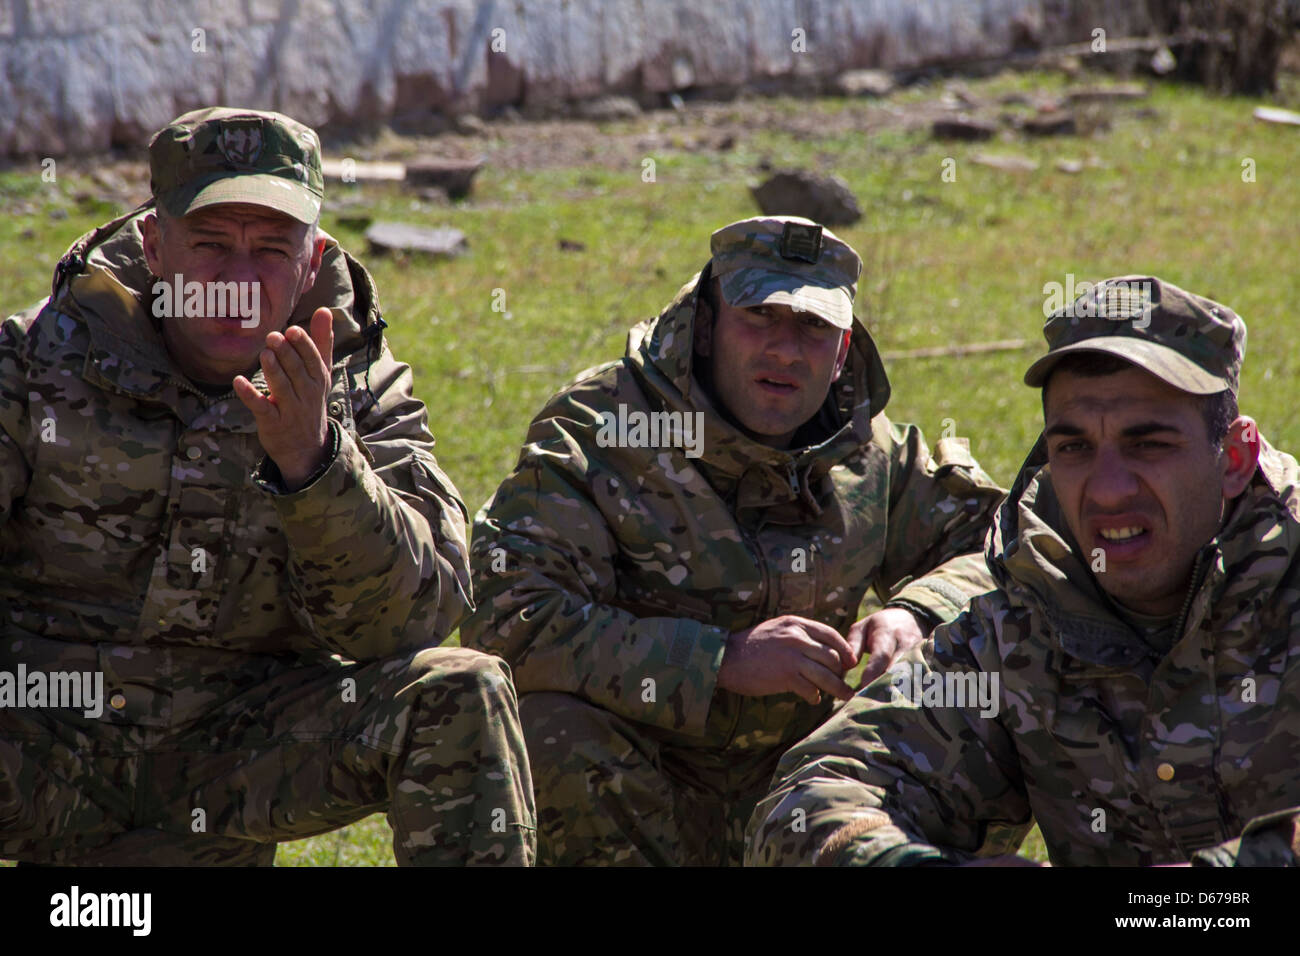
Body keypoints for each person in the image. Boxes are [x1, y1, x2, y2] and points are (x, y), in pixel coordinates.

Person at [0, 107, 534, 865]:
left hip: (236, 752)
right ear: (156, 246)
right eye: (211, 245)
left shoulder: (360, 390)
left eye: (271, 250)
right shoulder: (34, 361)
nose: (237, 281)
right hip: (41, 734)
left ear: (312, 260)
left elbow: (415, 617)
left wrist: (317, 467)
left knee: (460, 691)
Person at [461, 215, 1005, 865]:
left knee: (981, 702)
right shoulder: (600, 428)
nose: (784, 350)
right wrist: (718, 661)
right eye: (760, 317)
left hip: (809, 788)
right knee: (544, 729)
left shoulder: (870, 448)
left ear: (842, 352)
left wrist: (916, 613)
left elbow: (1007, 551)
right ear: (709, 324)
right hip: (643, 787)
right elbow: (506, 616)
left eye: (812, 327)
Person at [747, 275, 1300, 867]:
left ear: (1234, 459)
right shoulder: (1024, 617)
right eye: (1075, 448)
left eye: (1149, 444)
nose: (1108, 491)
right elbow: (804, 806)